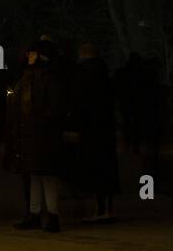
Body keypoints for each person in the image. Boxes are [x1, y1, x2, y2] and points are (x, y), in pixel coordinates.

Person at [9, 40, 69, 232]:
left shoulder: (49, 78)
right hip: (31, 132)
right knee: (35, 174)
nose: (28, 57)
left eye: (32, 54)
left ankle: (52, 215)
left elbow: (55, 108)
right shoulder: (30, 77)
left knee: (46, 175)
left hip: (43, 134)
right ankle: (35, 214)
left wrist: (38, 123)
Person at [68, 42, 118, 223]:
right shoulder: (103, 71)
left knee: (96, 169)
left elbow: (79, 102)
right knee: (106, 168)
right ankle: (108, 208)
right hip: (105, 127)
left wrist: (75, 126)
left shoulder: (82, 74)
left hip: (90, 129)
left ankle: (100, 209)